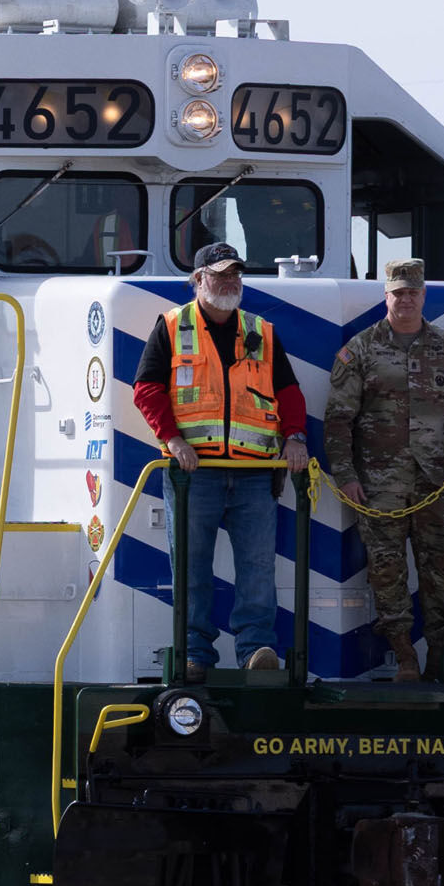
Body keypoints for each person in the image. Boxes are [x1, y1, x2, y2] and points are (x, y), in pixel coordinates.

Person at [132, 241, 309, 681]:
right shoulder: (173, 327)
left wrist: (296, 437)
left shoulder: (261, 331)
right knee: (191, 566)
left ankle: (256, 649)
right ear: (198, 280)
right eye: (220, 274)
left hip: (255, 473)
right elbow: (146, 390)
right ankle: (194, 654)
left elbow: (288, 393)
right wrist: (173, 441)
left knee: (257, 566)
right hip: (195, 474)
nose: (230, 282)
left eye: (235, 275)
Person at [323, 259, 444, 682]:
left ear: (423, 296)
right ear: (387, 296)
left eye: (413, 293)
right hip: (379, 486)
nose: (406, 300)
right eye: (398, 293)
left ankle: (439, 658)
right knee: (387, 572)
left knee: (442, 573)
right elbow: (339, 418)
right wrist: (345, 474)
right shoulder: (360, 349)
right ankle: (404, 658)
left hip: (437, 483)